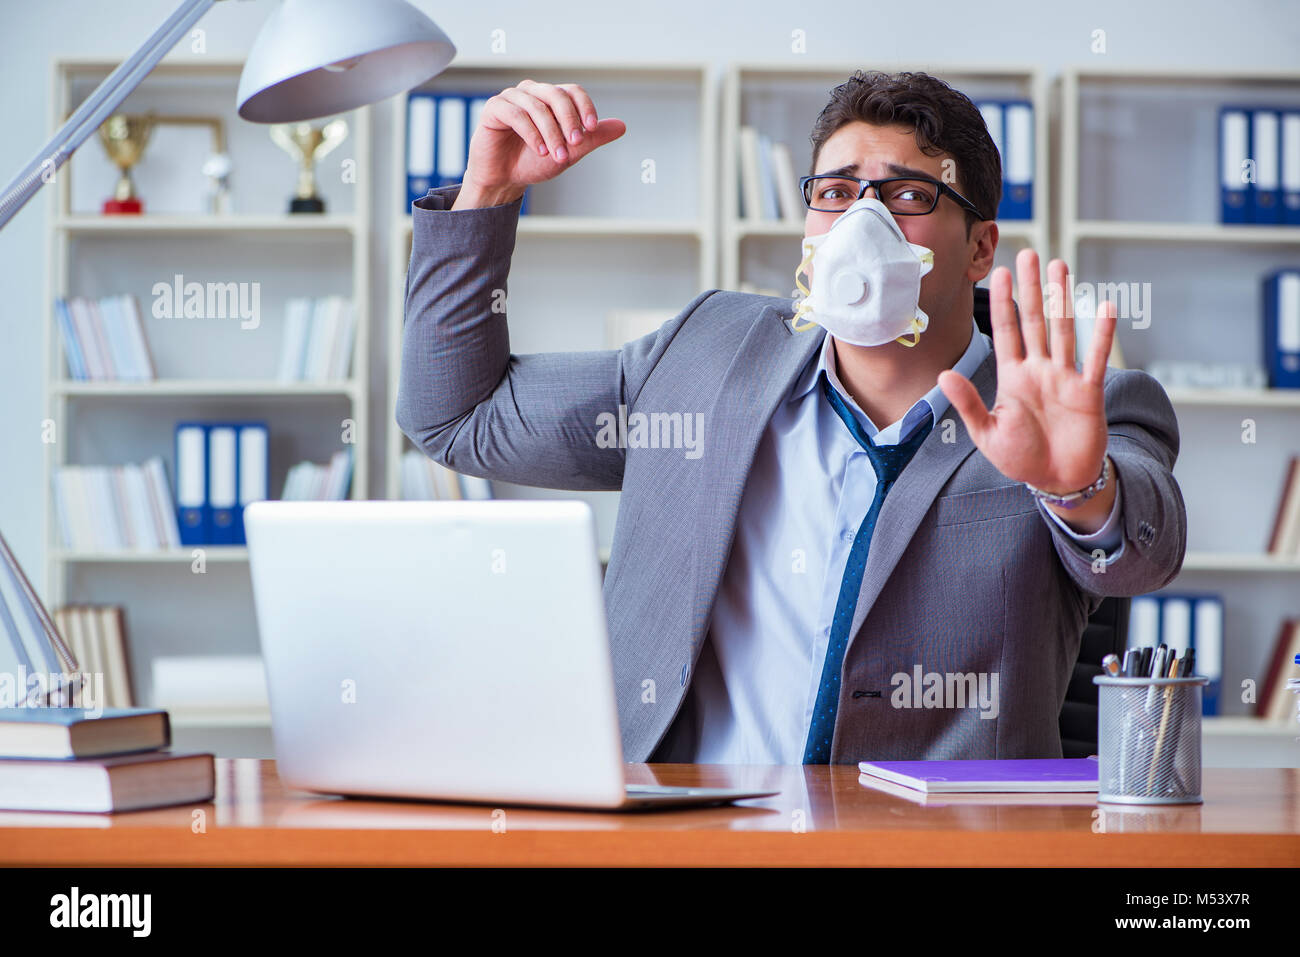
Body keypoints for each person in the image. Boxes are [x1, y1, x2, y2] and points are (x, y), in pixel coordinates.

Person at [396, 70, 1186, 764]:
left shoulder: (1067, 409)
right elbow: (458, 415)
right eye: (836, 192)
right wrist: (489, 194)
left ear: (981, 248)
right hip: (677, 835)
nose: (861, 223)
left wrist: (1077, 488)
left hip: (933, 852)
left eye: (909, 195)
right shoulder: (707, 353)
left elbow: (1142, 556)